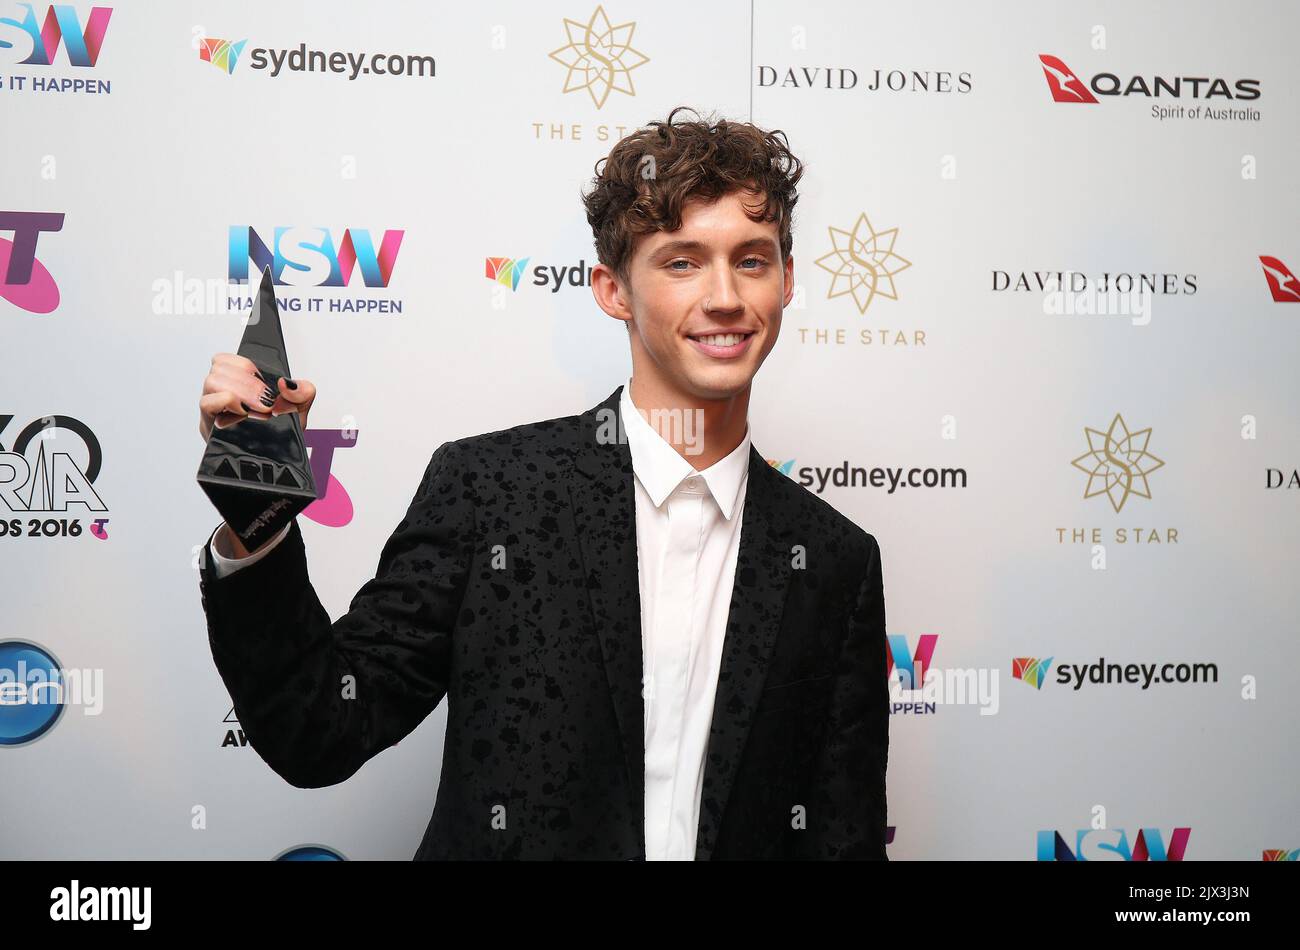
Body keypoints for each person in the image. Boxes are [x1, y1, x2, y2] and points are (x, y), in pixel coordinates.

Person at [196, 105, 889, 860]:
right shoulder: (491, 491)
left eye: (751, 260)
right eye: (682, 261)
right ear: (613, 289)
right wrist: (256, 521)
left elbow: (842, 839)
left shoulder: (833, 559)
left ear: (786, 281)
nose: (724, 296)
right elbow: (320, 730)